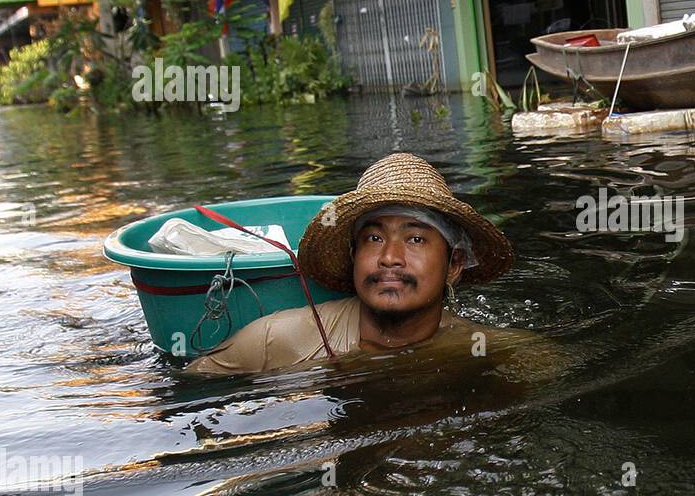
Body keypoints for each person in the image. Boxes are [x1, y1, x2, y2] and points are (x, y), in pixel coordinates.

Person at [187, 152, 517, 375]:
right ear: (352, 255)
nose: (389, 257)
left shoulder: (483, 349)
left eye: (415, 239)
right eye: (373, 239)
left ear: (454, 264)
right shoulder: (274, 343)